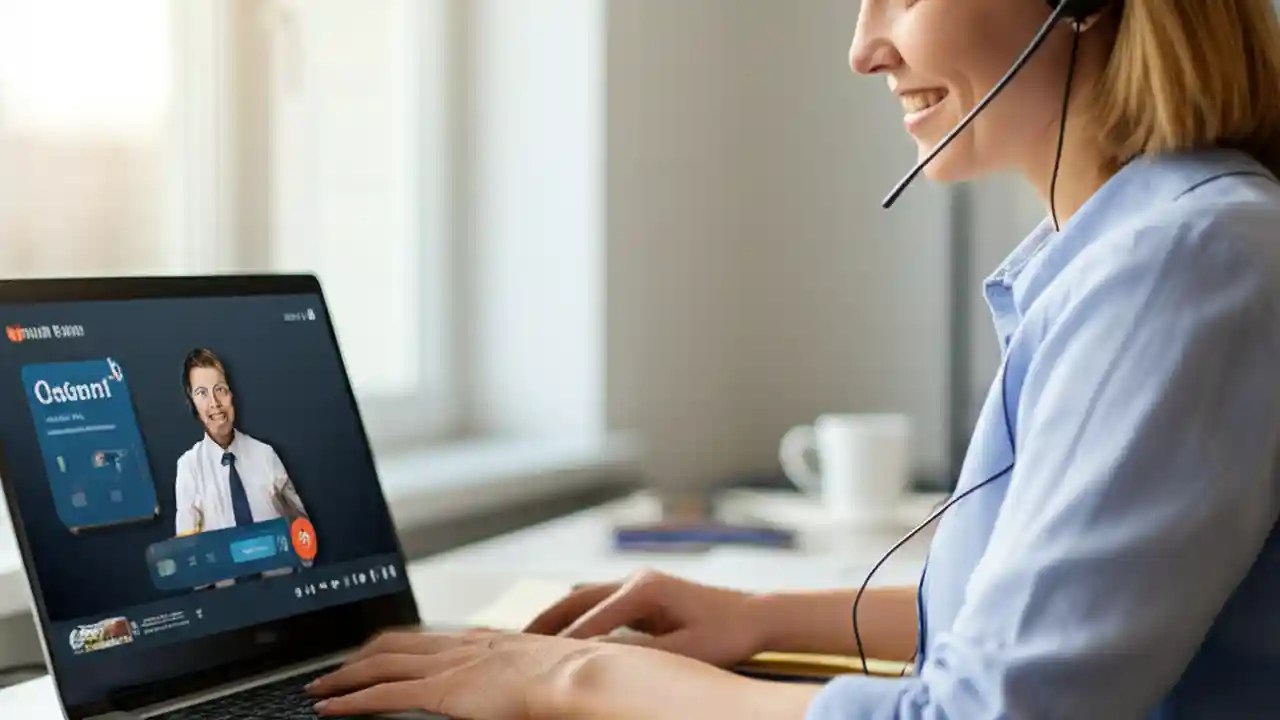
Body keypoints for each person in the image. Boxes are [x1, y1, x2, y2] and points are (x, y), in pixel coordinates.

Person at [306, 2, 1280, 718]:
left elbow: (986, 711)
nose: (862, 48)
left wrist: (571, 678)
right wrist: (760, 618)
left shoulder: (1177, 261)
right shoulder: (1148, 248)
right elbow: (1047, 615)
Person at [174, 348, 307, 536]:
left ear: (231, 394)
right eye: (202, 393)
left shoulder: (265, 455)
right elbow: (187, 549)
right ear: (193, 403)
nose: (214, 403)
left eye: (220, 389)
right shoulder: (189, 467)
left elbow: (302, 529)